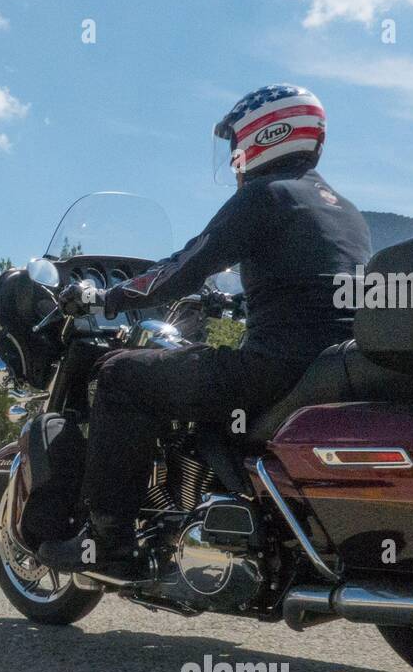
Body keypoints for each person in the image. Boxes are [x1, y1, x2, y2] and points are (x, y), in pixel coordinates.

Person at [37, 84, 371, 573]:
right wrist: (236, 300)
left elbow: (187, 264)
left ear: (268, 133)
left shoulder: (267, 194)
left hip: (274, 367)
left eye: (236, 139)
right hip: (331, 360)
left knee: (120, 376)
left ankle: (109, 545)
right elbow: (305, 285)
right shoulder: (345, 209)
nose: (233, 154)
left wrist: (111, 296)